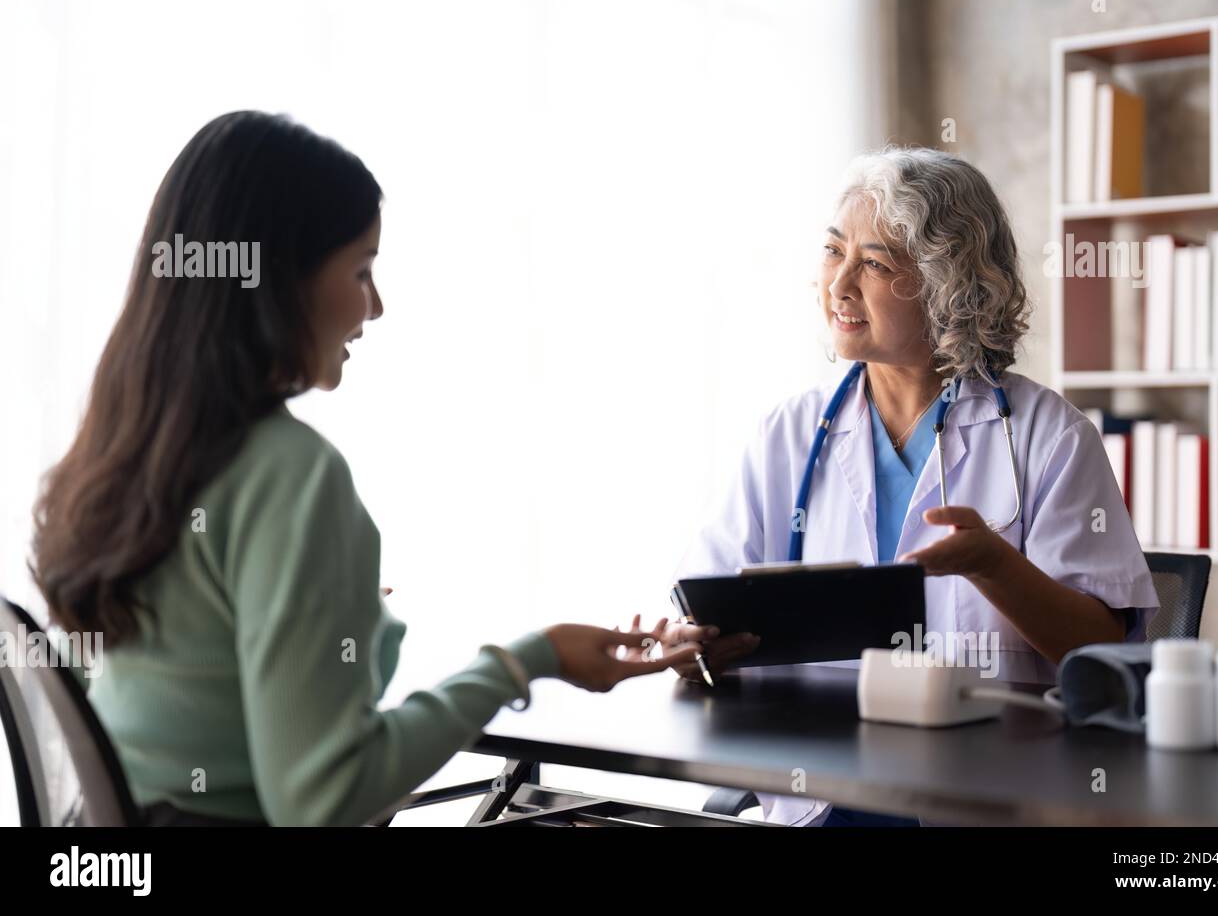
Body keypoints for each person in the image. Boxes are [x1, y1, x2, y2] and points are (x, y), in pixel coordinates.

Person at [29, 111, 698, 826]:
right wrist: (524, 662)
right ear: (279, 281)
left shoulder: (126, 452)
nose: (374, 307)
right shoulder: (290, 474)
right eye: (361, 270)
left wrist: (323, 605)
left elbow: (181, 688)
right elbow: (324, 802)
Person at [652, 146, 1159, 826]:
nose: (839, 285)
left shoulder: (1050, 436)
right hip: (824, 794)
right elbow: (702, 608)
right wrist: (690, 646)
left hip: (990, 794)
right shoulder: (789, 435)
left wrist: (994, 566)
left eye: (875, 263)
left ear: (951, 283)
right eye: (834, 253)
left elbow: (1100, 653)